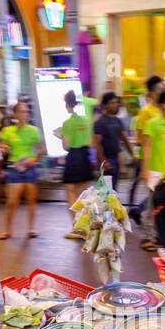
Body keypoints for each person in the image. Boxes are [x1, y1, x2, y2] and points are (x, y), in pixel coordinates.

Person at [0, 101, 43, 239]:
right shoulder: (7, 131)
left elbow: (41, 150)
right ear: (15, 114)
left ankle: (31, 229)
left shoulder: (34, 130)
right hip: (14, 168)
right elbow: (2, 148)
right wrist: (4, 149)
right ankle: (7, 230)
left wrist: (33, 161)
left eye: (26, 112)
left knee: (32, 200)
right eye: (22, 112)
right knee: (12, 202)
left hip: (30, 168)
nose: (25, 114)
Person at [57, 89, 94, 233]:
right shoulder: (86, 121)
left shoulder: (67, 123)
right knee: (84, 194)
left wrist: (61, 137)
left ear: (66, 104)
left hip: (73, 158)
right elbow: (90, 142)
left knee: (71, 192)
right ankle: (87, 226)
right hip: (85, 157)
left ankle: (77, 227)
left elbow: (66, 145)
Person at [130, 75, 165, 209]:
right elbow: (139, 138)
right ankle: (140, 214)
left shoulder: (164, 110)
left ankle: (139, 211)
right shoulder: (145, 112)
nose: (163, 92)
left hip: (163, 158)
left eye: (164, 88)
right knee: (153, 193)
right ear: (151, 93)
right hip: (150, 159)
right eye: (159, 90)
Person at [92, 91, 133, 192]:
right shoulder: (100, 122)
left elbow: (124, 139)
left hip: (116, 160)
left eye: (117, 102)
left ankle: (111, 207)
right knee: (105, 191)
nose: (116, 105)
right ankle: (105, 207)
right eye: (112, 103)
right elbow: (97, 144)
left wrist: (133, 155)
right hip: (106, 161)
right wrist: (104, 161)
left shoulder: (117, 121)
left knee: (113, 189)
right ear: (105, 105)